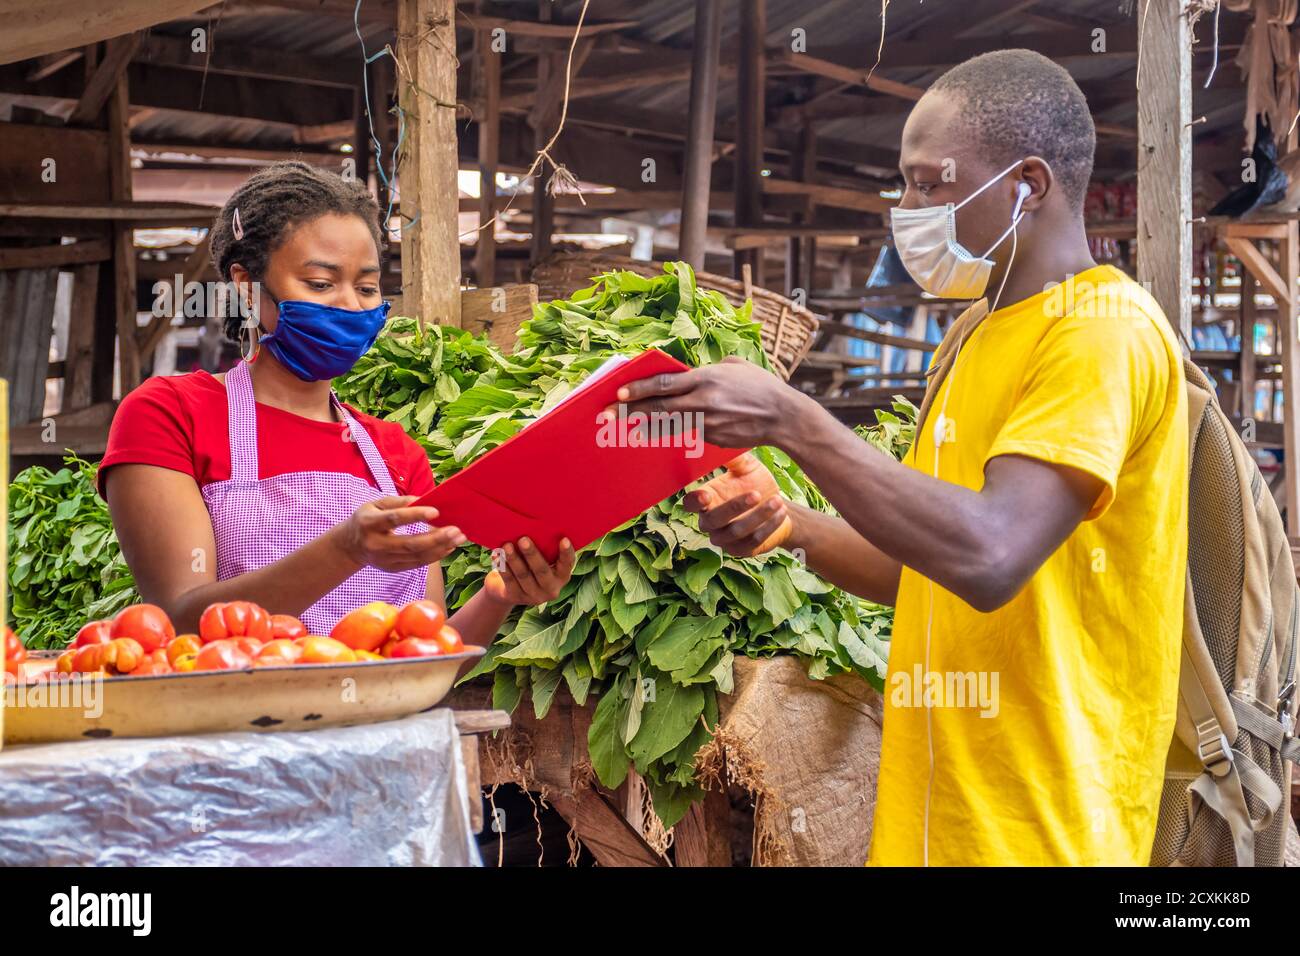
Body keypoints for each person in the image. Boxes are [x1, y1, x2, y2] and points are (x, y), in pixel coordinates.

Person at [610, 50, 1189, 865]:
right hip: (937, 818)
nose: (908, 209)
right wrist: (791, 525)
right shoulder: (975, 336)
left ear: (1028, 183)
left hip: (1046, 826)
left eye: (932, 183)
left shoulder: (1099, 331)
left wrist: (794, 420)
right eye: (904, 185)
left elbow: (990, 554)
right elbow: (929, 569)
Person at [101, 161, 574, 640]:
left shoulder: (395, 454)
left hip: (389, 716)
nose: (351, 304)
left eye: (367, 288)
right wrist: (346, 550)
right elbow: (180, 618)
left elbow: (425, 652)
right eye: (321, 284)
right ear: (246, 284)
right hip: (237, 713)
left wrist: (499, 594)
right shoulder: (170, 413)